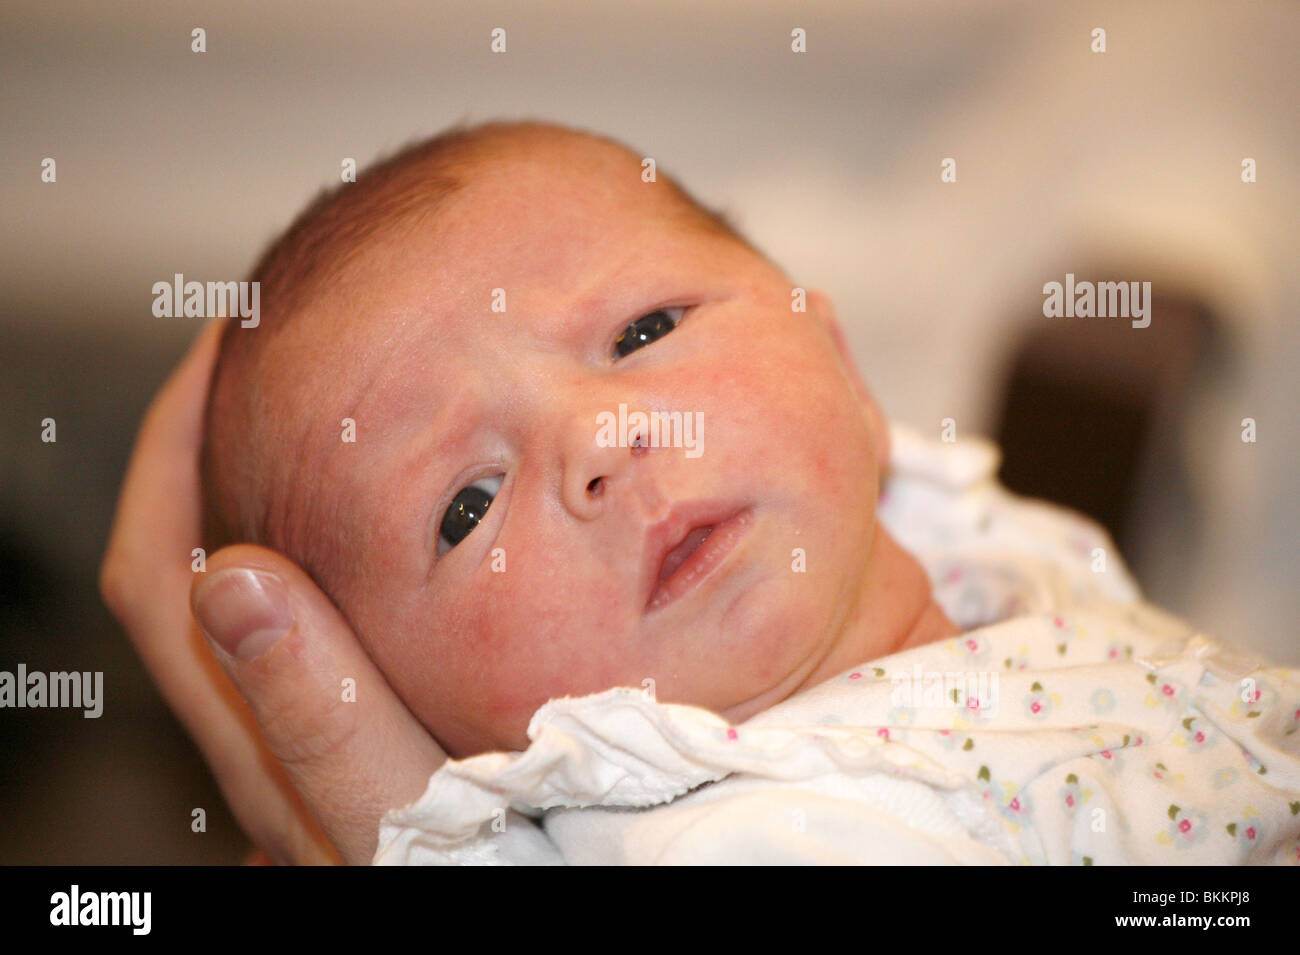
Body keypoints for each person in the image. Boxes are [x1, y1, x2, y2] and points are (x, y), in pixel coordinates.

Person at [103, 120, 1300, 865]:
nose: (604, 438)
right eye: (465, 507)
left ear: (837, 360)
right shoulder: (751, 835)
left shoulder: (972, 538)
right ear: (405, 719)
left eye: (643, 330)